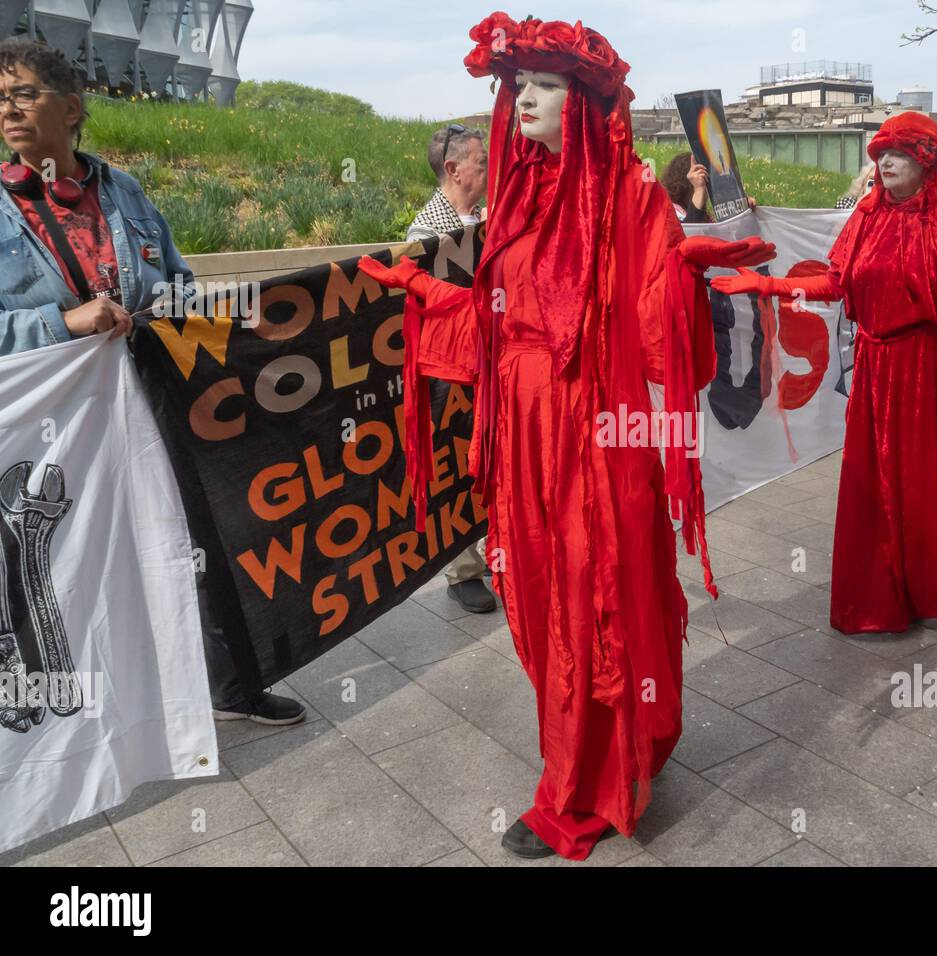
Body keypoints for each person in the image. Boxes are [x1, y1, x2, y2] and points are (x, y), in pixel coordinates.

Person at [358, 13, 773, 861]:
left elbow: (661, 344)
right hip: (524, 438)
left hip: (595, 435)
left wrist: (683, 281)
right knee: (545, 601)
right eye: (519, 86)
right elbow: (496, 319)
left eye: (545, 85)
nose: (526, 98)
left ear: (586, 102)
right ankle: (595, 750)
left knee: (595, 601)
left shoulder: (634, 200)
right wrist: (422, 289)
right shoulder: (518, 200)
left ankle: (580, 791)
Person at [0, 38, 304, 725]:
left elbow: (180, 287)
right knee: (58, 567)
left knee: (199, 537)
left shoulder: (125, 191)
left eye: (23, 94)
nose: (9, 110)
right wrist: (62, 322)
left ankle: (230, 688)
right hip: (53, 431)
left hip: (152, 403)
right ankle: (64, 719)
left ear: (72, 108)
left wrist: (163, 311)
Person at [715, 112, 937, 635]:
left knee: (936, 485)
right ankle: (881, 594)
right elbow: (834, 284)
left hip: (930, 366)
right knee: (875, 485)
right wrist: (766, 287)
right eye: (880, 156)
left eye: (897, 156)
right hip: (878, 367)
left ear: (925, 162)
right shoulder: (866, 216)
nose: (885, 164)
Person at [405, 124, 496, 613]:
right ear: (455, 168)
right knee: (454, 461)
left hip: (488, 362)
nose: (487, 168)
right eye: (480, 161)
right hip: (449, 373)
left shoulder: (486, 219)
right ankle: (463, 570)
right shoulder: (425, 235)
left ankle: (497, 553)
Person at [407, 124, 487, 240]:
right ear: (453, 169)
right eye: (483, 161)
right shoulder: (425, 233)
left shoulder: (484, 215)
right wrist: (487, 234)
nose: (492, 166)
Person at [661, 151, 711, 223]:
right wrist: (699, 190)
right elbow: (688, 232)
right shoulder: (670, 212)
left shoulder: (701, 213)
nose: (706, 191)